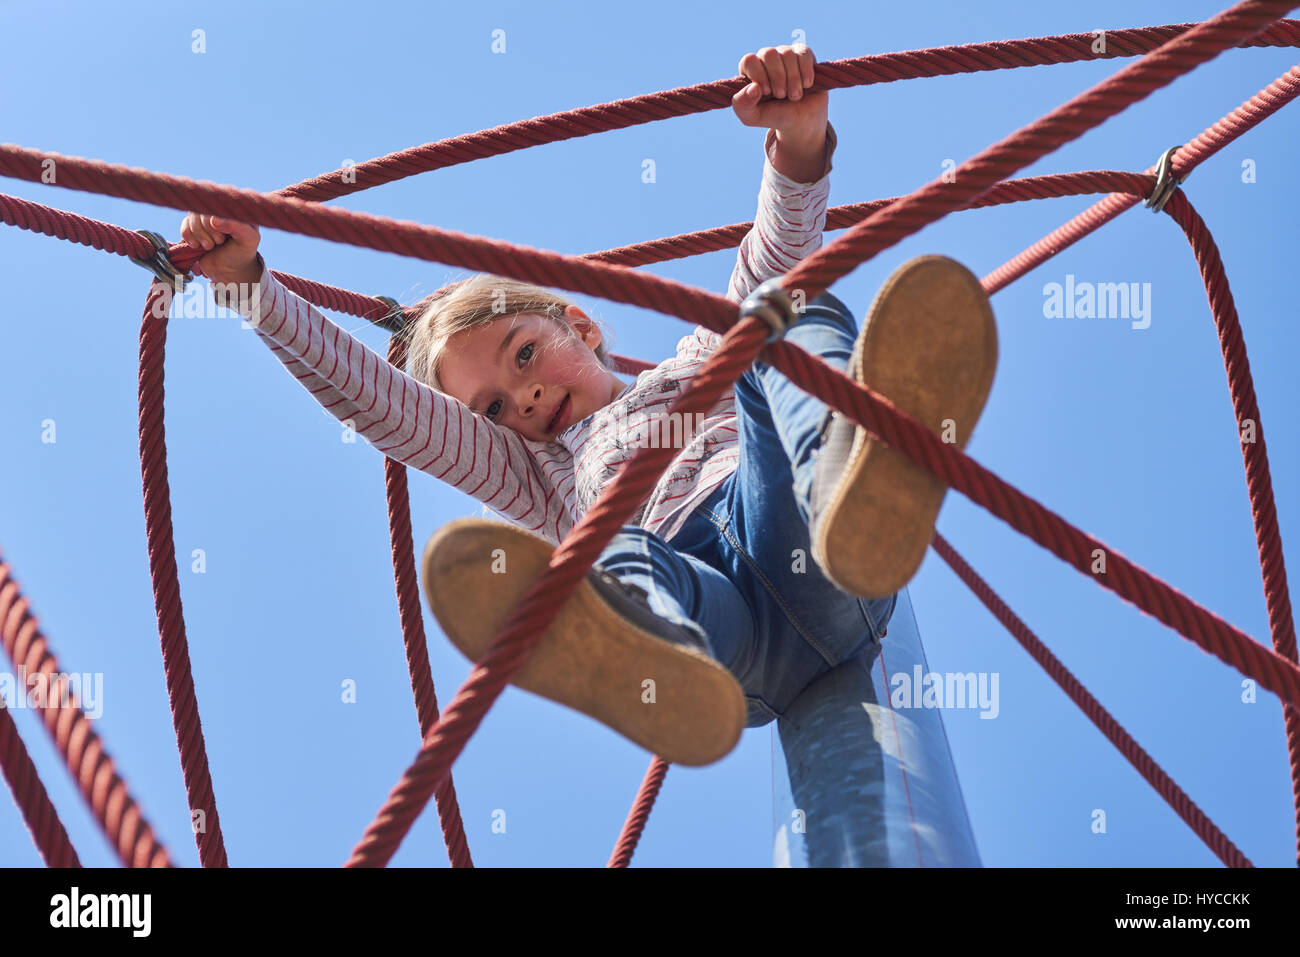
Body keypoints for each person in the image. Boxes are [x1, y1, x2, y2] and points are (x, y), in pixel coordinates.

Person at [180, 44, 998, 767]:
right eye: (493, 408)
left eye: (525, 355)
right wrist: (258, 294)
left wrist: (799, 141)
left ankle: (857, 478)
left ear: (583, 322)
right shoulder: (543, 476)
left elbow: (778, 256)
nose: (525, 396)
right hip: (720, 629)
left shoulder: (690, 364)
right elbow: (386, 410)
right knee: (613, 556)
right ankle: (652, 658)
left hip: (804, 537)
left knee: (776, 319)